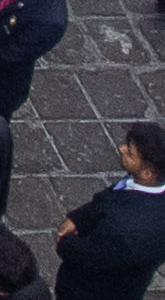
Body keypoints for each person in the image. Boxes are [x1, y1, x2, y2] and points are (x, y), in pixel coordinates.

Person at [53, 123, 165, 300]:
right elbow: (109, 198)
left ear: (148, 173)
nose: (121, 149)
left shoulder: (123, 230)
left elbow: (90, 256)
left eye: (129, 153)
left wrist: (65, 242)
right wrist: (78, 218)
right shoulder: (147, 182)